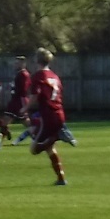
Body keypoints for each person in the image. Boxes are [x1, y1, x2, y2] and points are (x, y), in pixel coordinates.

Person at [29, 48, 69, 186]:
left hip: (48, 115)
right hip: (59, 113)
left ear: (36, 60)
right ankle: (61, 178)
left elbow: (34, 97)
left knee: (34, 149)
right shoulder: (54, 76)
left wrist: (24, 107)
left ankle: (56, 136)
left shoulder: (38, 76)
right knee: (50, 149)